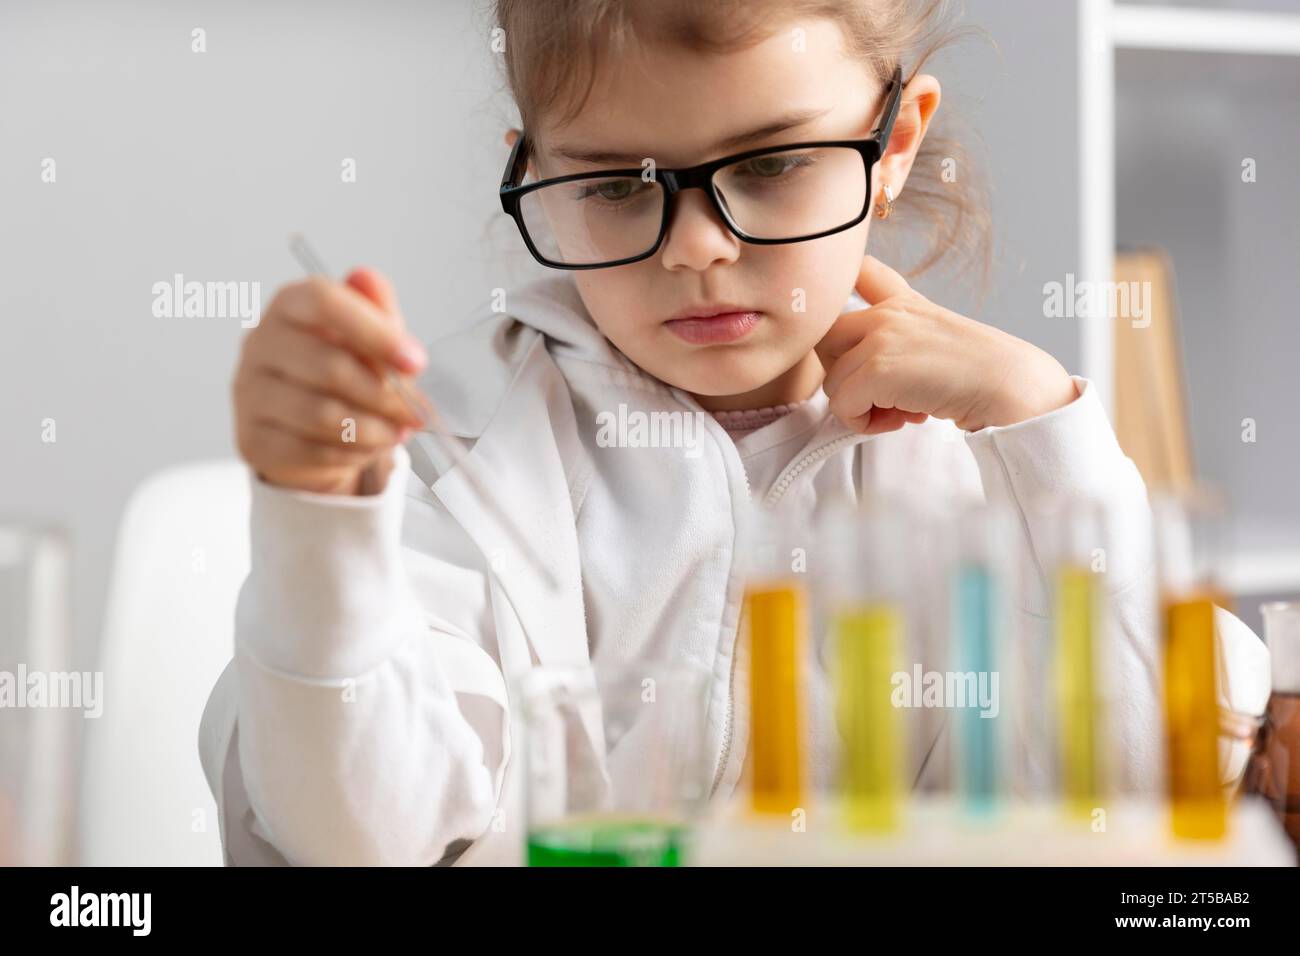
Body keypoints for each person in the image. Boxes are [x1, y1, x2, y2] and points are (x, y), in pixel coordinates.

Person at [199, 0, 1259, 865]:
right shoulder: (460, 448)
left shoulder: (989, 463)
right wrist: (319, 524)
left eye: (771, 165)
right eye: (615, 184)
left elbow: (1154, 802)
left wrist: (1047, 434)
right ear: (536, 175)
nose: (698, 248)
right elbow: (353, 839)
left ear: (894, 144)